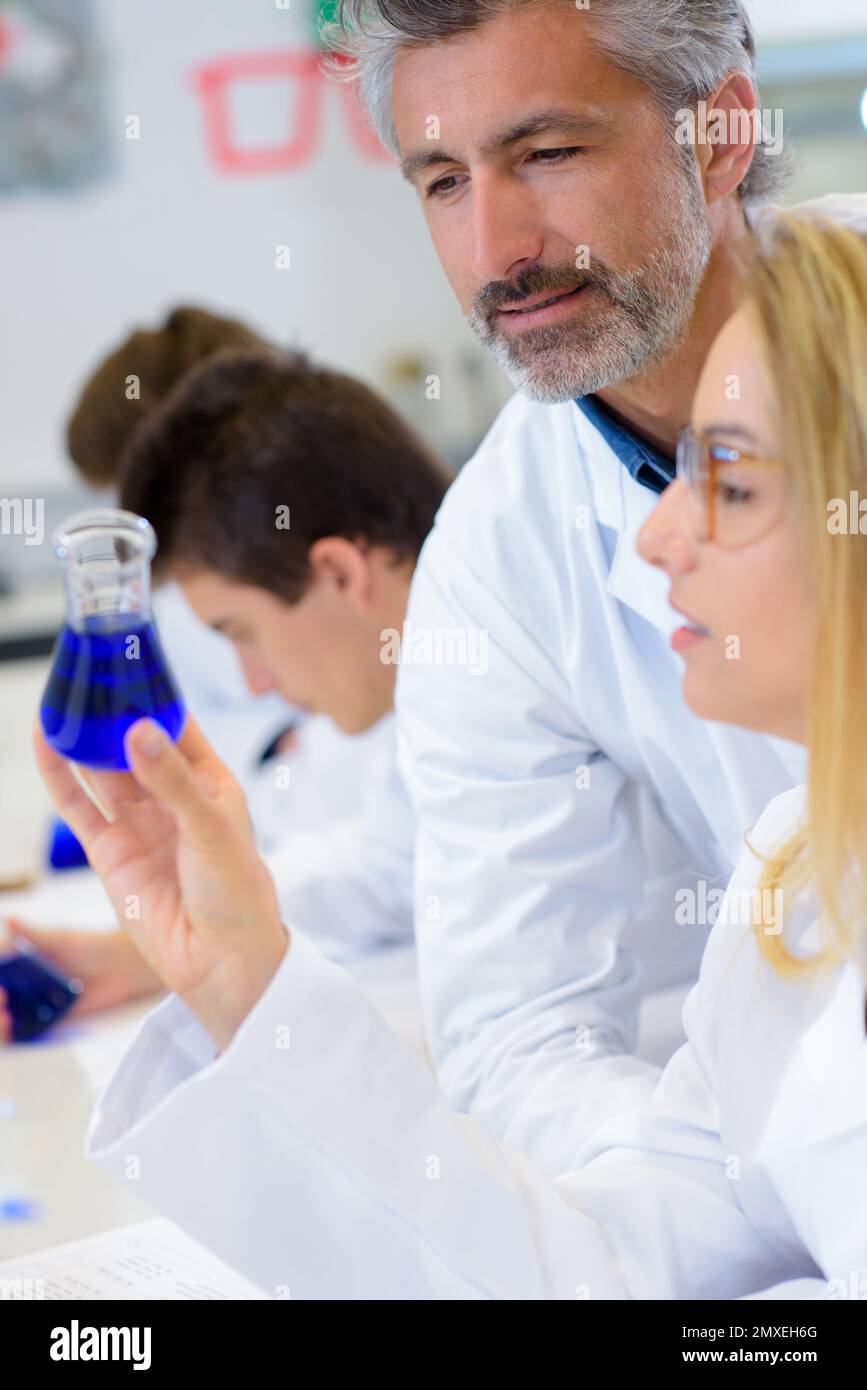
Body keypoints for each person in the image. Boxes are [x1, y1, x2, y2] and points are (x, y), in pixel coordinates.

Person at [33, 209, 867, 1298]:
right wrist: (243, 980)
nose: (656, 535)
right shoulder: (795, 875)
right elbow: (608, 1272)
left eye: (733, 482)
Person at [322, 0, 867, 1175]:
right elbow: (519, 1035)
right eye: (442, 181)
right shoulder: (498, 555)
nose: (494, 251)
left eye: (549, 153)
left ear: (718, 129)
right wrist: (775, 1174)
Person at [0, 347, 448, 1039]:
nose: (255, 679)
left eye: (243, 632)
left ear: (337, 573)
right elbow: (386, 872)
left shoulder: (500, 672)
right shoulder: (428, 693)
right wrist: (136, 953)